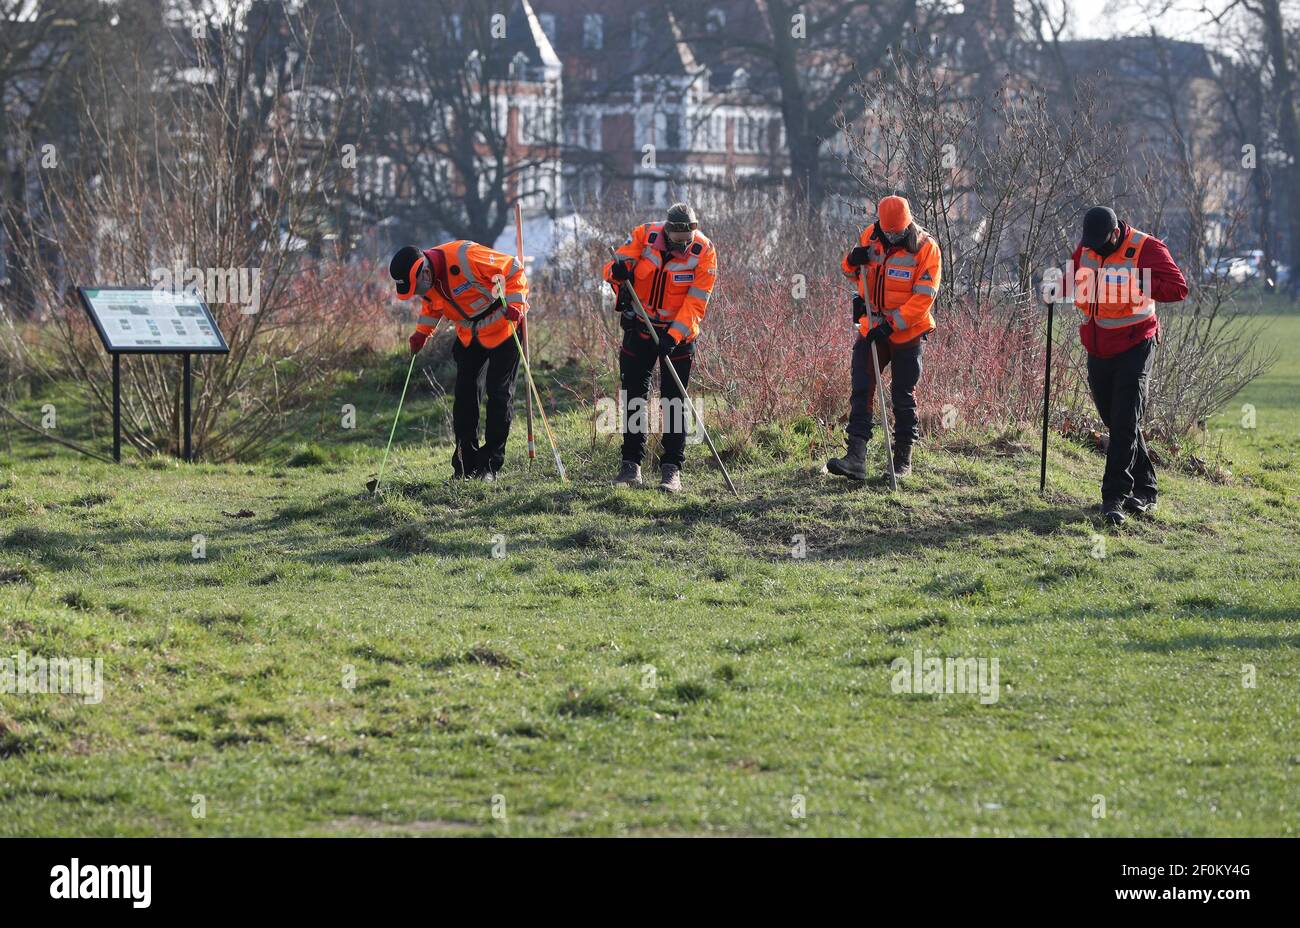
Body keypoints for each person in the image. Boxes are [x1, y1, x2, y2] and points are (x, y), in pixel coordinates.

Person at [1063, 206, 1187, 525]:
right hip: (1099, 343)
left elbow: (1178, 288)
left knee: (1124, 420)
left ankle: (1114, 497)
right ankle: (1146, 489)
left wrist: (1139, 283)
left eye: (1100, 243)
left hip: (1136, 343)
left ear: (1116, 233)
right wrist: (1057, 288)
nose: (1092, 248)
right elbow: (1074, 278)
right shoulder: (1089, 246)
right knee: (1117, 420)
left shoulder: (1148, 248)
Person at [602, 203, 718, 493]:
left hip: (677, 336)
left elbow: (696, 302)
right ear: (667, 232)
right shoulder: (645, 235)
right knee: (634, 397)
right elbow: (614, 268)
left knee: (674, 401)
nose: (682, 248)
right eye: (677, 242)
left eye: (686, 242)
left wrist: (674, 335)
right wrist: (618, 271)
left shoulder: (705, 252)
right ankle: (630, 466)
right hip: (640, 328)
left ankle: (671, 470)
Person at [389, 241, 527, 480]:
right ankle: (465, 466)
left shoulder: (465, 256)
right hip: (469, 334)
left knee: (499, 394)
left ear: (426, 272)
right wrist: (422, 332)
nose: (419, 294)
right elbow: (433, 305)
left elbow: (513, 269)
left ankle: (490, 466)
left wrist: (516, 303)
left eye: (418, 288)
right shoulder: (427, 281)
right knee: (464, 397)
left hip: (504, 327)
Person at [827, 195, 941, 481]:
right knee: (862, 389)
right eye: (888, 232)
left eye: (897, 233)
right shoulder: (870, 236)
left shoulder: (927, 249)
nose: (891, 237)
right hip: (871, 328)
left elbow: (923, 299)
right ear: (880, 224)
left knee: (902, 395)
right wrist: (853, 260)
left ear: (908, 223)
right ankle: (856, 457)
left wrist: (891, 325)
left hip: (907, 332)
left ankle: (902, 460)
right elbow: (850, 273)